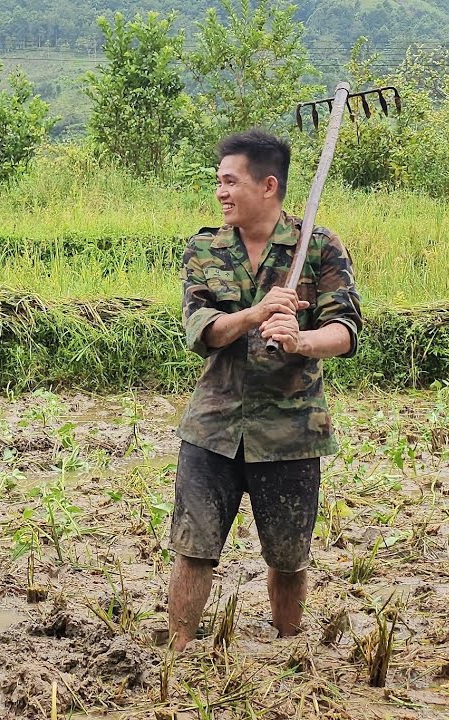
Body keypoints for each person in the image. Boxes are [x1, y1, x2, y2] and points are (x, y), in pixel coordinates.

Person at [166, 129, 362, 650]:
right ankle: (177, 652)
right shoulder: (204, 248)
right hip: (213, 426)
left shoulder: (318, 247)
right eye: (218, 182)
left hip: (291, 429)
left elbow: (345, 331)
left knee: (288, 555)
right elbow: (201, 330)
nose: (221, 192)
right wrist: (253, 314)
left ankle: (287, 647)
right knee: (193, 546)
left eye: (230, 182)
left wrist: (300, 341)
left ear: (267, 185)